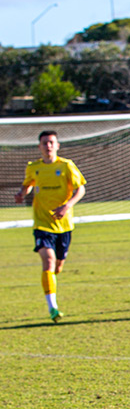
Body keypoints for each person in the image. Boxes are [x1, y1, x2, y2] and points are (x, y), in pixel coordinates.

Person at [13, 130, 87, 323]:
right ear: (39, 146)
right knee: (48, 260)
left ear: (57, 145)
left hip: (64, 225)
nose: (48, 146)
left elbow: (81, 189)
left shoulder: (66, 166)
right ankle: (52, 307)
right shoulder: (34, 167)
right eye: (45, 143)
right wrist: (21, 193)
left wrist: (67, 206)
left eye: (51, 142)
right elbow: (27, 184)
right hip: (42, 223)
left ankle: (50, 282)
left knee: (57, 266)